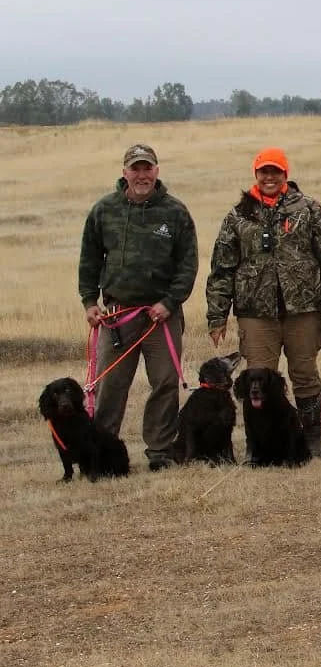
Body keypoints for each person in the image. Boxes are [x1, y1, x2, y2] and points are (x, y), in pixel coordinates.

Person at [205, 147, 321, 456]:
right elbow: (222, 268)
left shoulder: (310, 210)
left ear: (286, 174)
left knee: (305, 374)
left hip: (303, 310)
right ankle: (259, 447)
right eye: (264, 171)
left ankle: (312, 440)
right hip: (255, 313)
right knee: (257, 380)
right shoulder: (239, 215)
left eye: (275, 171)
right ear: (255, 174)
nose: (269, 177)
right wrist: (217, 317)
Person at [77, 143, 198, 471]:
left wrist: (169, 302)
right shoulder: (104, 210)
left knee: (165, 382)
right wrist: (90, 302)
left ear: (157, 171)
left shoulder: (175, 212)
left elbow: (187, 265)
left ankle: (159, 452)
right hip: (117, 315)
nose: (142, 175)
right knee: (110, 385)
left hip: (162, 316)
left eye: (147, 168)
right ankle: (102, 453)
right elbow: (89, 259)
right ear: (125, 172)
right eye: (135, 168)